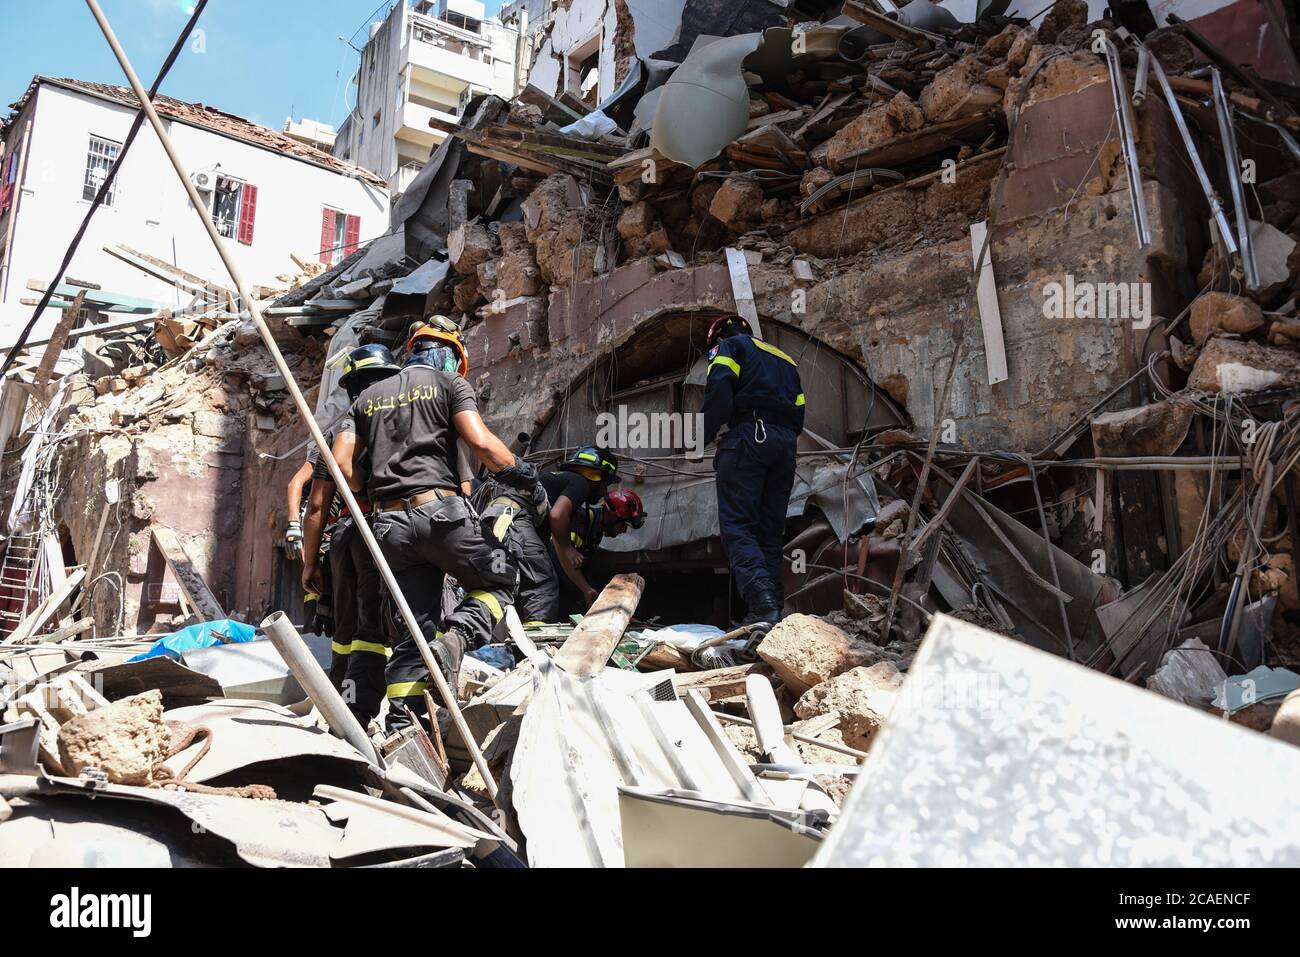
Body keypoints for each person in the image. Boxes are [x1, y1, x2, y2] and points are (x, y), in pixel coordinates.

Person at [336, 320, 538, 731]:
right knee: (502, 577)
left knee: (413, 629)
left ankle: (404, 729)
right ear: (451, 355)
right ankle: (457, 641)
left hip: (388, 528)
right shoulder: (450, 384)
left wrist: (374, 490)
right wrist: (523, 474)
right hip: (443, 517)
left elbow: (341, 464)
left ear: (411, 349)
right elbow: (481, 443)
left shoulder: (366, 399)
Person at [302, 344, 401, 718]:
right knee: (379, 627)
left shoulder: (341, 431)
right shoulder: (408, 423)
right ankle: (367, 710)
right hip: (388, 532)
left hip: (345, 537)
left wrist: (310, 562)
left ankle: (342, 708)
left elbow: (316, 506)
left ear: (351, 387)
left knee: (347, 631)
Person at [701, 314, 805, 627]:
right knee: (769, 535)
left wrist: (699, 439)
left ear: (718, 338)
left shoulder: (730, 347)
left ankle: (762, 608)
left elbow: (718, 391)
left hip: (749, 439)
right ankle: (773, 615)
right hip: (785, 445)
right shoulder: (785, 359)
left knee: (738, 528)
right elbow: (799, 412)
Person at [538, 446, 619, 610]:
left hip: (505, 520)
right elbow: (557, 516)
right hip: (514, 521)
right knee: (544, 584)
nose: (604, 491)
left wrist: (586, 589)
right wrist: (569, 549)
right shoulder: (580, 484)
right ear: (598, 477)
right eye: (606, 484)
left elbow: (559, 548)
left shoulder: (564, 483)